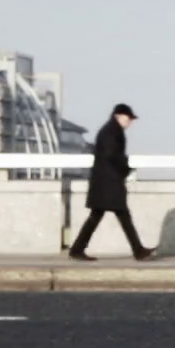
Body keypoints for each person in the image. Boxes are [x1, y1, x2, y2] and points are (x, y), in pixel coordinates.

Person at [69, 103, 155, 261]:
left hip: (105, 182)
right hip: (109, 182)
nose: (130, 122)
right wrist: (125, 167)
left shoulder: (110, 130)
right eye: (128, 118)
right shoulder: (112, 132)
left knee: (100, 216)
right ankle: (138, 250)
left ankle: (77, 249)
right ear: (118, 116)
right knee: (119, 215)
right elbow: (112, 155)